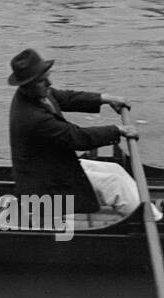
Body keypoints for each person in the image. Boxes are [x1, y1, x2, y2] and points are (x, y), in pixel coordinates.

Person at [7, 49, 142, 217]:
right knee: (115, 184)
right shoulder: (33, 118)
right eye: (43, 81)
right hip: (45, 188)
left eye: (47, 76)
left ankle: (147, 214)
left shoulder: (35, 94)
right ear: (27, 84)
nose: (49, 83)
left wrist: (106, 98)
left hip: (50, 168)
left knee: (115, 170)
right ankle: (152, 223)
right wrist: (118, 130)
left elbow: (66, 98)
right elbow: (77, 137)